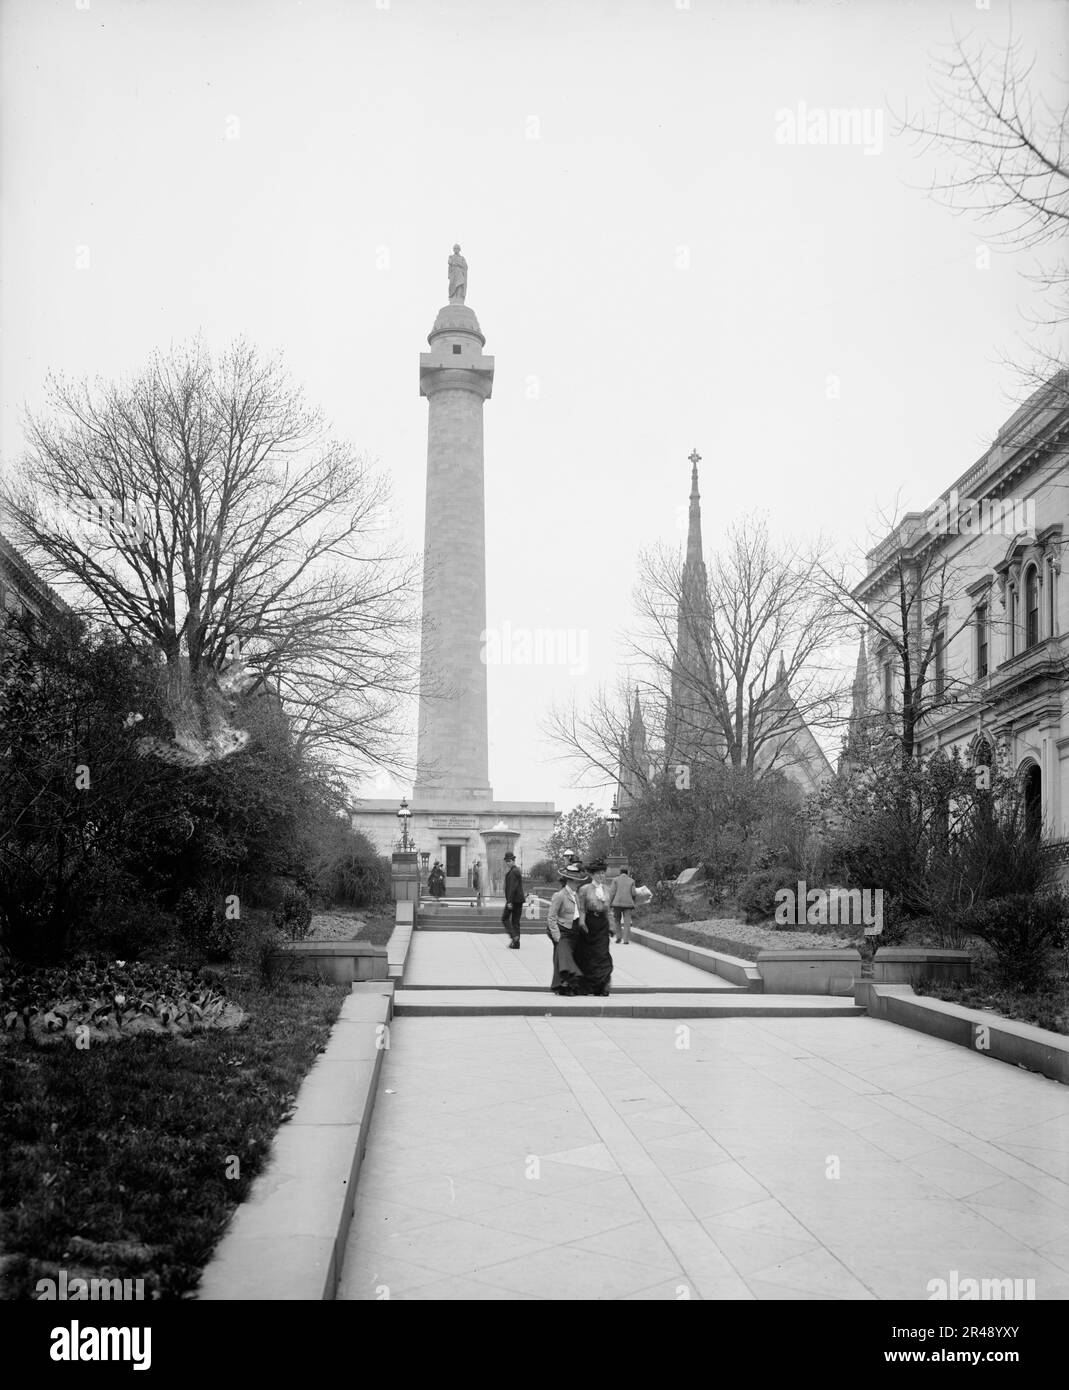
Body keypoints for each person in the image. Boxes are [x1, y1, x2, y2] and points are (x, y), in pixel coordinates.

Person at [546, 863, 588, 995]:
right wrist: (557, 937)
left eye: (578, 881)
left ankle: (561, 986)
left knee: (560, 958)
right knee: (564, 957)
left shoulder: (575, 895)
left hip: (574, 930)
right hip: (562, 930)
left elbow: (578, 911)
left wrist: (582, 925)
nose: (578, 884)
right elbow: (551, 917)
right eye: (576, 881)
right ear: (569, 881)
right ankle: (564, 984)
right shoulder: (560, 895)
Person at [574, 859, 614, 995]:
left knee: (602, 954)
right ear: (592, 875)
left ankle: (603, 986)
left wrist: (612, 926)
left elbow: (609, 910)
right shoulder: (585, 889)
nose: (601, 876)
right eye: (598, 873)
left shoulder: (607, 890)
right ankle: (589, 986)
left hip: (602, 924)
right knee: (589, 955)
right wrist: (582, 922)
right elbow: (581, 908)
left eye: (603, 873)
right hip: (589, 923)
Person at [609, 864, 637, 944]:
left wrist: (610, 903)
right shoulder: (631, 881)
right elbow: (634, 893)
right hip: (628, 904)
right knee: (627, 921)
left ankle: (618, 938)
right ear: (627, 872)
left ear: (620, 872)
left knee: (617, 920)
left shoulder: (615, 880)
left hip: (617, 904)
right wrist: (633, 901)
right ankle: (626, 940)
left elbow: (612, 892)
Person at [502, 851, 524, 948]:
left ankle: (514, 936)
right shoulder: (515, 871)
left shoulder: (513, 872)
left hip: (514, 901)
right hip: (518, 900)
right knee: (515, 922)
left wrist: (509, 902)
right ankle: (516, 943)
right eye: (506, 861)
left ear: (513, 861)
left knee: (505, 918)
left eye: (509, 861)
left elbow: (512, 888)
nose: (507, 863)